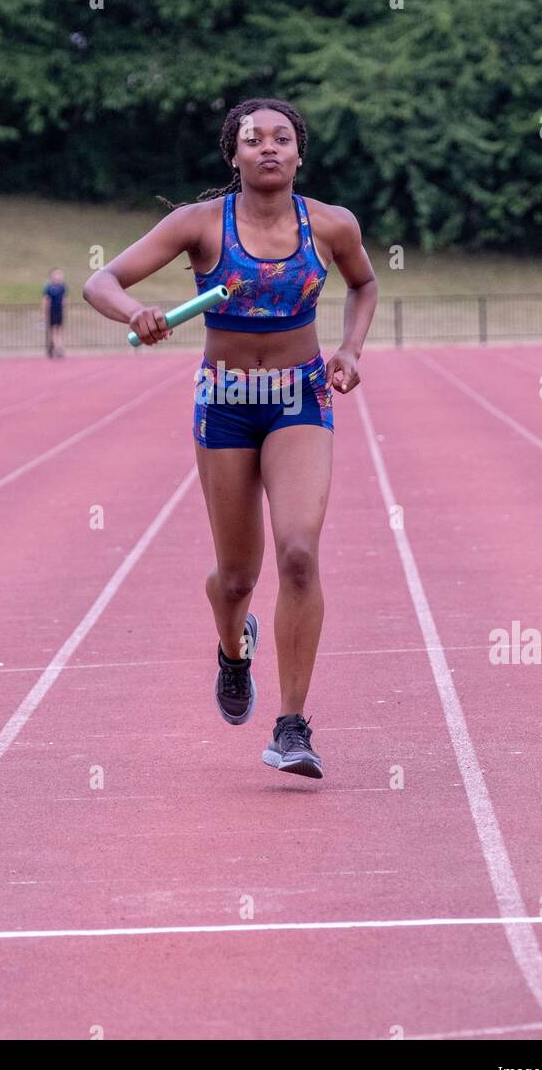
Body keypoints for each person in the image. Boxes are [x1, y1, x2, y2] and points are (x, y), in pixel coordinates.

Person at [82, 98, 377, 778]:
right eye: (254, 139)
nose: (268, 147)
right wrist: (138, 311)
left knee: (299, 553)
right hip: (227, 404)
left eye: (282, 138)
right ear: (234, 154)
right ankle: (231, 648)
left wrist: (351, 351)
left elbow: (364, 284)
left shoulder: (332, 225)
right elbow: (104, 281)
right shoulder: (198, 225)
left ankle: (292, 724)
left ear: (300, 153)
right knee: (238, 576)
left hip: (300, 397)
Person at [42, 268, 68, 357]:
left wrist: (64, 307)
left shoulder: (62, 287)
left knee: (59, 330)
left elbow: (64, 299)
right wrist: (44, 313)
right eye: (56, 275)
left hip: (59, 311)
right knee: (53, 330)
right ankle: (57, 348)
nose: (58, 277)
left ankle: (56, 346)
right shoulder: (48, 287)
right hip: (51, 311)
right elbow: (46, 300)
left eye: (59, 274)